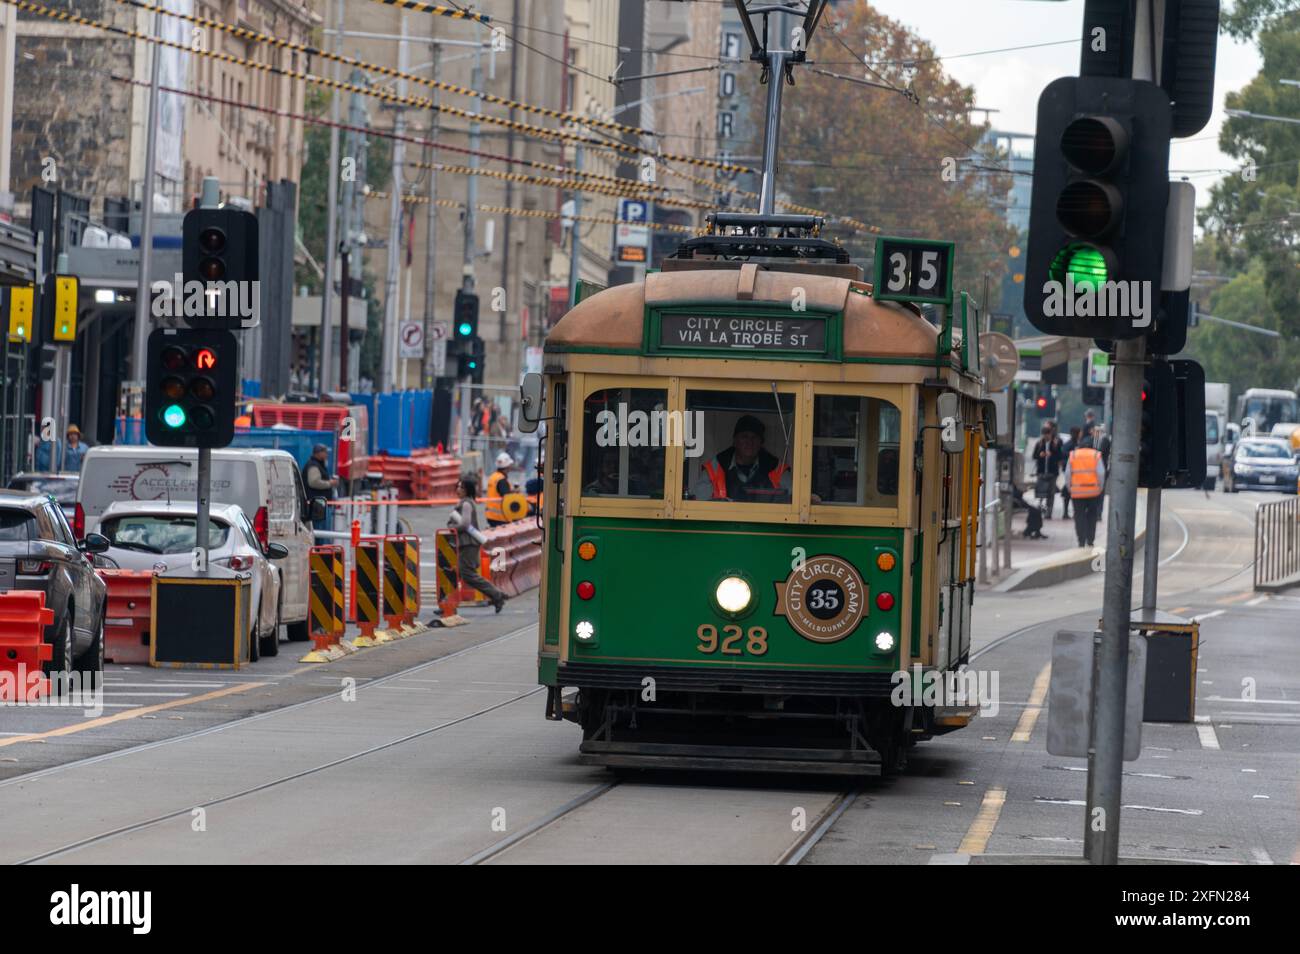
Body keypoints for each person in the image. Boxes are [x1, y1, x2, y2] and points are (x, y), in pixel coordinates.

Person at [692, 415, 791, 502]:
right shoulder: (714, 468)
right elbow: (699, 504)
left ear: (761, 443)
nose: (749, 442)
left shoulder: (777, 469)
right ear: (735, 441)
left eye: (754, 437)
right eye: (744, 437)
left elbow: (793, 502)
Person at [448, 477, 508, 612]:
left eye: (461, 487)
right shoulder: (464, 503)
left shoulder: (466, 504)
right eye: (457, 487)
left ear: (467, 490)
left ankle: (496, 595)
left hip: (468, 543)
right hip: (465, 543)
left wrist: (452, 528)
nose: (458, 490)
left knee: (468, 574)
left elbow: (465, 523)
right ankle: (448, 603)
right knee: (456, 572)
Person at [1064, 433, 1106, 547]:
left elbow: (1068, 474)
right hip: (1093, 492)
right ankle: (1090, 539)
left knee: (1079, 516)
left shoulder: (1073, 455)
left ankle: (1081, 540)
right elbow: (1101, 473)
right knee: (1092, 516)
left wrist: (1070, 488)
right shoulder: (1096, 455)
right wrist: (1100, 488)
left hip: (1077, 492)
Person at [301, 443, 337, 543]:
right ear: (318, 453)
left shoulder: (317, 464)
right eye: (325, 452)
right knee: (321, 532)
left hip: (320, 504)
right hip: (318, 505)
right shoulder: (313, 465)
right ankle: (320, 551)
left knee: (322, 531)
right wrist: (330, 483)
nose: (327, 455)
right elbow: (313, 482)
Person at [1031, 423, 1065, 518]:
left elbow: (1060, 457)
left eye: (1048, 434)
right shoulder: (1039, 444)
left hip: (1052, 472)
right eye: (1044, 434)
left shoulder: (1055, 444)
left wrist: (1052, 455)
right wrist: (1040, 455)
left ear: (1051, 434)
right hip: (1041, 471)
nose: (1046, 436)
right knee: (1041, 493)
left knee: (1051, 493)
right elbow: (1034, 456)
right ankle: (1041, 509)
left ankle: (1049, 512)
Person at [1061, 425, 1082, 519]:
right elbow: (1064, 458)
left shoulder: (1074, 444)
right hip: (1072, 472)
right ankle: (1068, 512)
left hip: (1074, 472)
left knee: (1070, 493)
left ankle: (1071, 511)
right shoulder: (1071, 445)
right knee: (1070, 493)